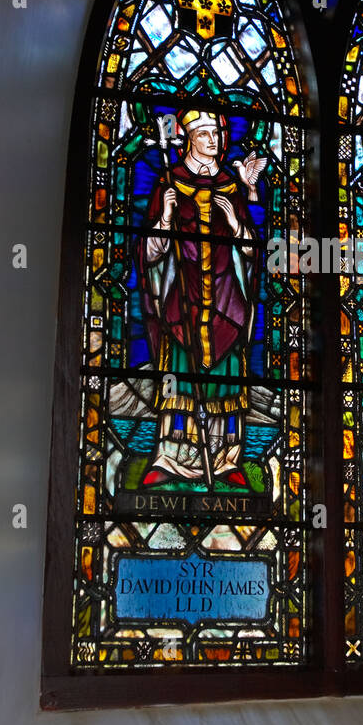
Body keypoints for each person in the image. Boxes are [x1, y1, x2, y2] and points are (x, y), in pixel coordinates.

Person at [135, 110, 264, 487]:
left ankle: (225, 459)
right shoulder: (169, 182)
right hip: (183, 294)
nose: (214, 141)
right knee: (181, 373)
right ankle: (170, 458)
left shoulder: (229, 186)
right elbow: (150, 251)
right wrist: (167, 217)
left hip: (225, 297)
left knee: (225, 375)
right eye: (205, 134)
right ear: (189, 137)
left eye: (217, 134)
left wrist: (237, 223)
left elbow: (255, 252)